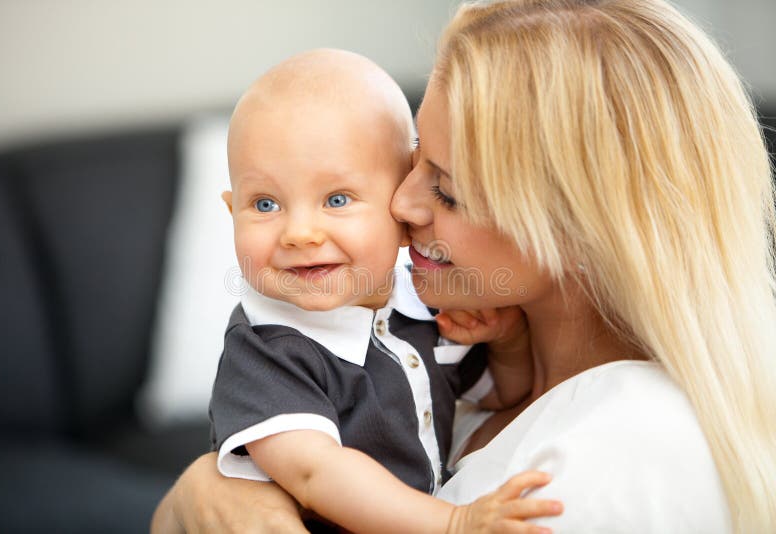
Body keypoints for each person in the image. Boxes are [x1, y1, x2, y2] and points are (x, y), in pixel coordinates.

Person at [153, 0, 776, 532]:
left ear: (581, 230)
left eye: (447, 190)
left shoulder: (615, 455)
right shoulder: (452, 340)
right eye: (415, 161)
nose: (401, 203)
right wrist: (195, 496)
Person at [207, 48, 562, 533]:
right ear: (232, 212)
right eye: (265, 204)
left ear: (400, 211)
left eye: (336, 199)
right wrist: (454, 523)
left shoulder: (419, 306)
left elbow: (503, 394)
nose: (299, 233)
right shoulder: (267, 347)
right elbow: (316, 472)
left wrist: (507, 342)